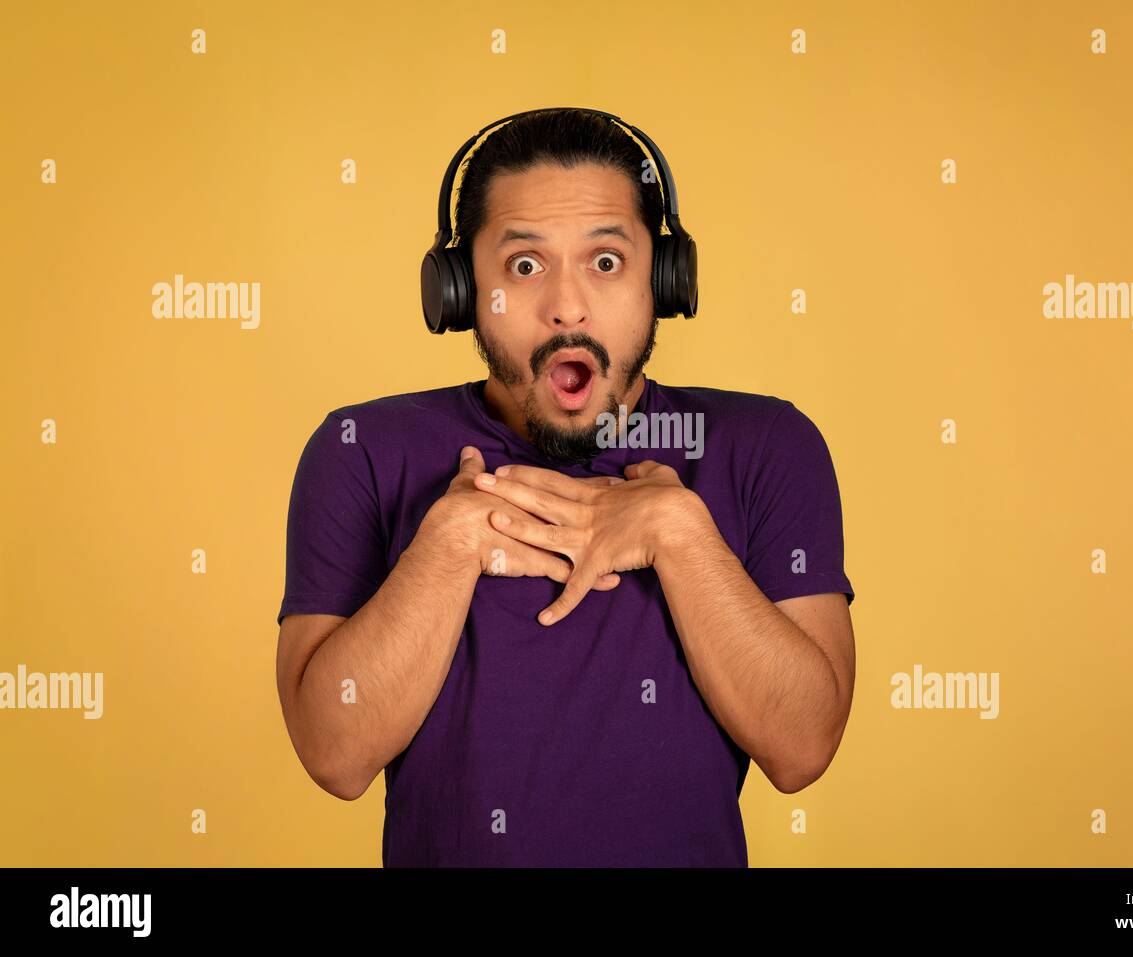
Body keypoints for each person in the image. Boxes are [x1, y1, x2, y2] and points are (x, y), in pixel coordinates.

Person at [274, 108, 856, 866]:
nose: (567, 304)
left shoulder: (765, 446)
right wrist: (445, 548)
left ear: (665, 279)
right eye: (524, 266)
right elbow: (333, 753)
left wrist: (681, 535)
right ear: (458, 291)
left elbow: (804, 744)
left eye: (606, 262)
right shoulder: (361, 451)